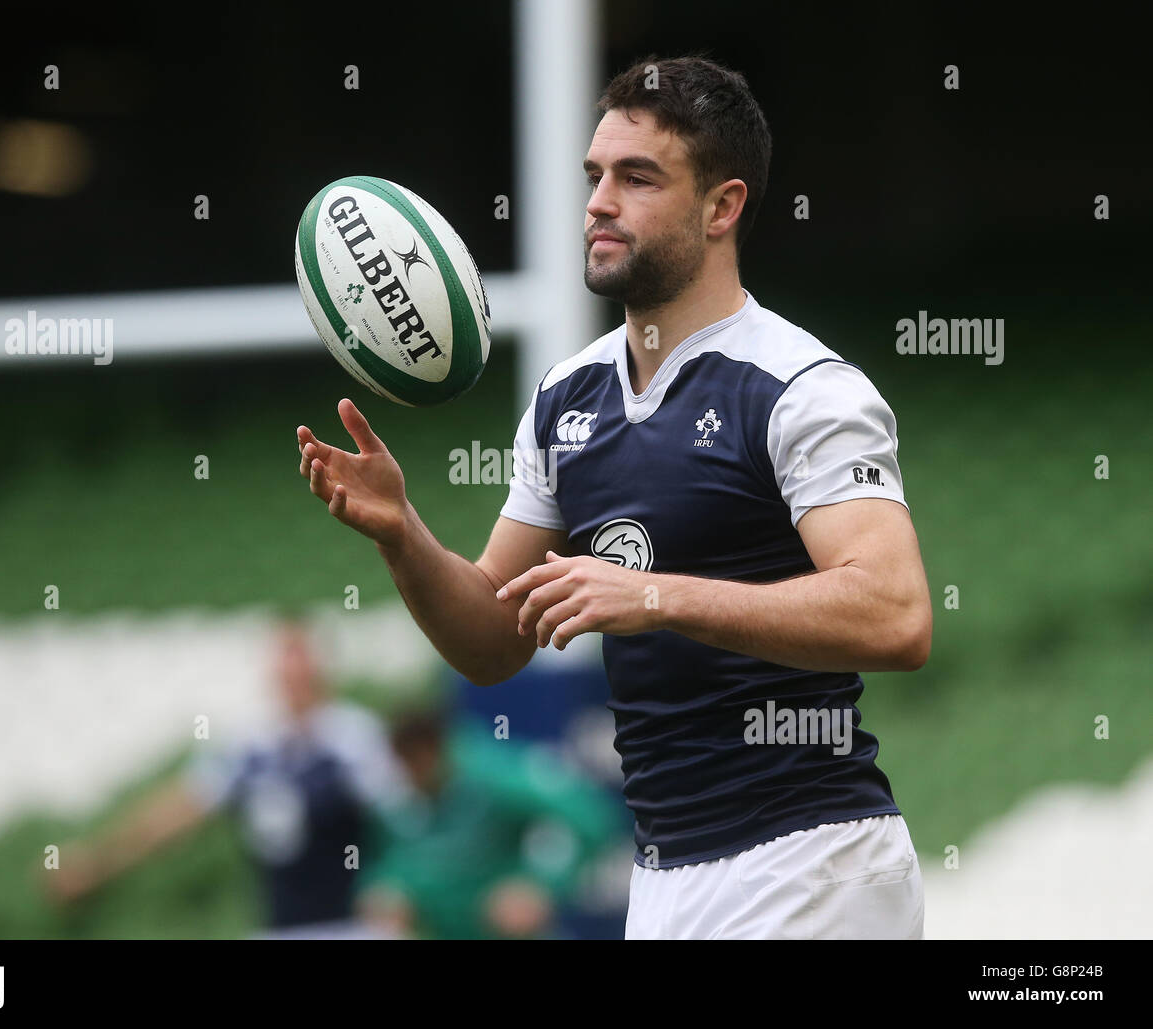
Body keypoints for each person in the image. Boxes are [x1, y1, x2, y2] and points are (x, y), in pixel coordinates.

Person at [296, 54, 931, 940]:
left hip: (810, 857)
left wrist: (655, 594)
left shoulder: (802, 388)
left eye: (638, 178)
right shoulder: (567, 397)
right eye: (595, 175)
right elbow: (490, 642)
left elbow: (897, 614)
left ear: (723, 206)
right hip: (664, 875)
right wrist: (402, 533)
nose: (598, 201)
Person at [46, 624, 409, 937]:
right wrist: (100, 861)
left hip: (353, 928)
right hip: (280, 927)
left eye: (302, 664)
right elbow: (180, 813)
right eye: (286, 665)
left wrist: (396, 884)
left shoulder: (353, 739)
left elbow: (403, 819)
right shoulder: (251, 746)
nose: (294, 677)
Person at [355, 705, 620, 940]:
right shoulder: (397, 793)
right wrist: (386, 889)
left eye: (413, 764)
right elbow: (387, 860)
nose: (407, 776)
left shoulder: (493, 775)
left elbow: (588, 814)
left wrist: (540, 884)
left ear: (432, 751)